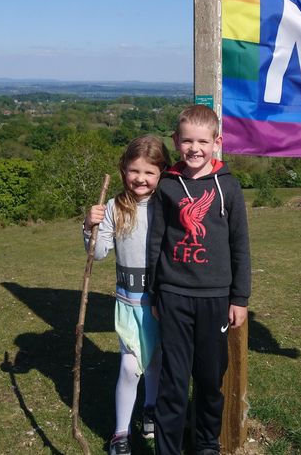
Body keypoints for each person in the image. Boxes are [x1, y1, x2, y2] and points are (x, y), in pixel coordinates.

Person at [146, 105, 251, 455]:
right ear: (176, 141)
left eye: (202, 142)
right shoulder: (167, 187)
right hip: (174, 295)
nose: (194, 148)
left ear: (216, 142)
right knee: (173, 383)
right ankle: (168, 450)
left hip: (216, 298)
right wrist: (154, 293)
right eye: (187, 141)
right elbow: (155, 241)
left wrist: (240, 298)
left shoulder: (229, 187)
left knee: (209, 380)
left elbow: (240, 245)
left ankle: (207, 446)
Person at [82, 134, 170, 455]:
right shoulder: (114, 207)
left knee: (157, 360)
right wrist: (89, 225)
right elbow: (99, 252)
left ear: (162, 173)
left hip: (162, 302)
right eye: (135, 171)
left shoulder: (166, 205)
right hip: (129, 303)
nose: (141, 179)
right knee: (130, 367)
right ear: (123, 170)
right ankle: (120, 433)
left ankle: (150, 410)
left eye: (149, 172)